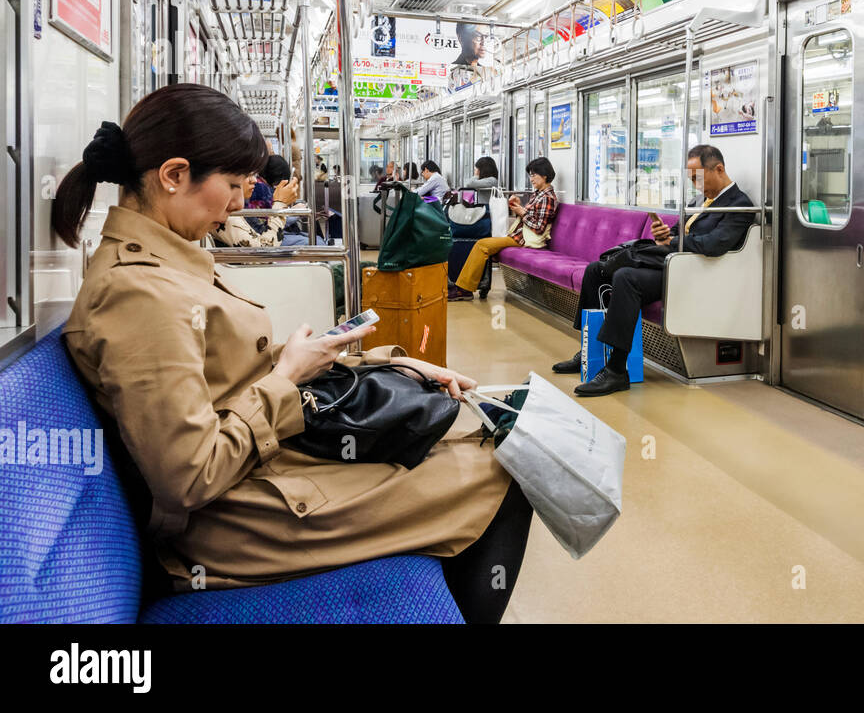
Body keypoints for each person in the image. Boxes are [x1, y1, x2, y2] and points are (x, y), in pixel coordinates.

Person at [54, 85, 532, 624]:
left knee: (474, 437)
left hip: (263, 469)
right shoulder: (138, 296)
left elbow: (231, 375)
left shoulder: (168, 263)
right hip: (233, 522)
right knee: (506, 469)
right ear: (173, 175)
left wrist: (384, 362)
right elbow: (189, 475)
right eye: (232, 185)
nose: (238, 204)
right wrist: (286, 378)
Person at [554, 145, 754, 396]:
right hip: (672, 264)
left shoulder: (740, 205)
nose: (694, 185)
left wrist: (670, 242)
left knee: (625, 277)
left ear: (719, 169)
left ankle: (616, 370)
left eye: (697, 178)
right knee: (596, 271)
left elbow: (714, 245)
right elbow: (678, 234)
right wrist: (665, 235)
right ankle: (588, 353)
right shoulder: (699, 201)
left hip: (694, 273)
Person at [449, 158, 557, 301]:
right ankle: (465, 287)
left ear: (544, 175)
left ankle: (464, 289)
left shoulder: (547, 198)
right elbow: (534, 216)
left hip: (524, 239)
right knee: (482, 244)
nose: (531, 179)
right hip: (519, 235)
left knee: (482, 245)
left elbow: (539, 227)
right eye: (530, 175)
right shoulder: (538, 194)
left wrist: (521, 212)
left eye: (534, 175)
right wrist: (520, 206)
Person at [212, 172, 299, 247]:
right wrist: (280, 204)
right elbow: (262, 253)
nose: (254, 180)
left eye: (254, 174)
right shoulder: (225, 214)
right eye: (247, 174)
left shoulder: (227, 208)